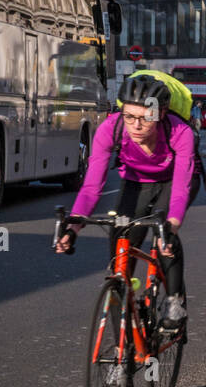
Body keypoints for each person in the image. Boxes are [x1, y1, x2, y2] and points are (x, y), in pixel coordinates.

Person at [54, 74, 197, 329]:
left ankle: (176, 300)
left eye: (146, 117)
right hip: (135, 182)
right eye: (129, 116)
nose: (136, 126)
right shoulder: (111, 128)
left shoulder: (180, 132)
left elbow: (181, 188)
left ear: (161, 113)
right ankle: (123, 347)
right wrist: (73, 226)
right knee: (120, 247)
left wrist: (172, 225)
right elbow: (91, 186)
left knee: (164, 232)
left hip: (174, 182)